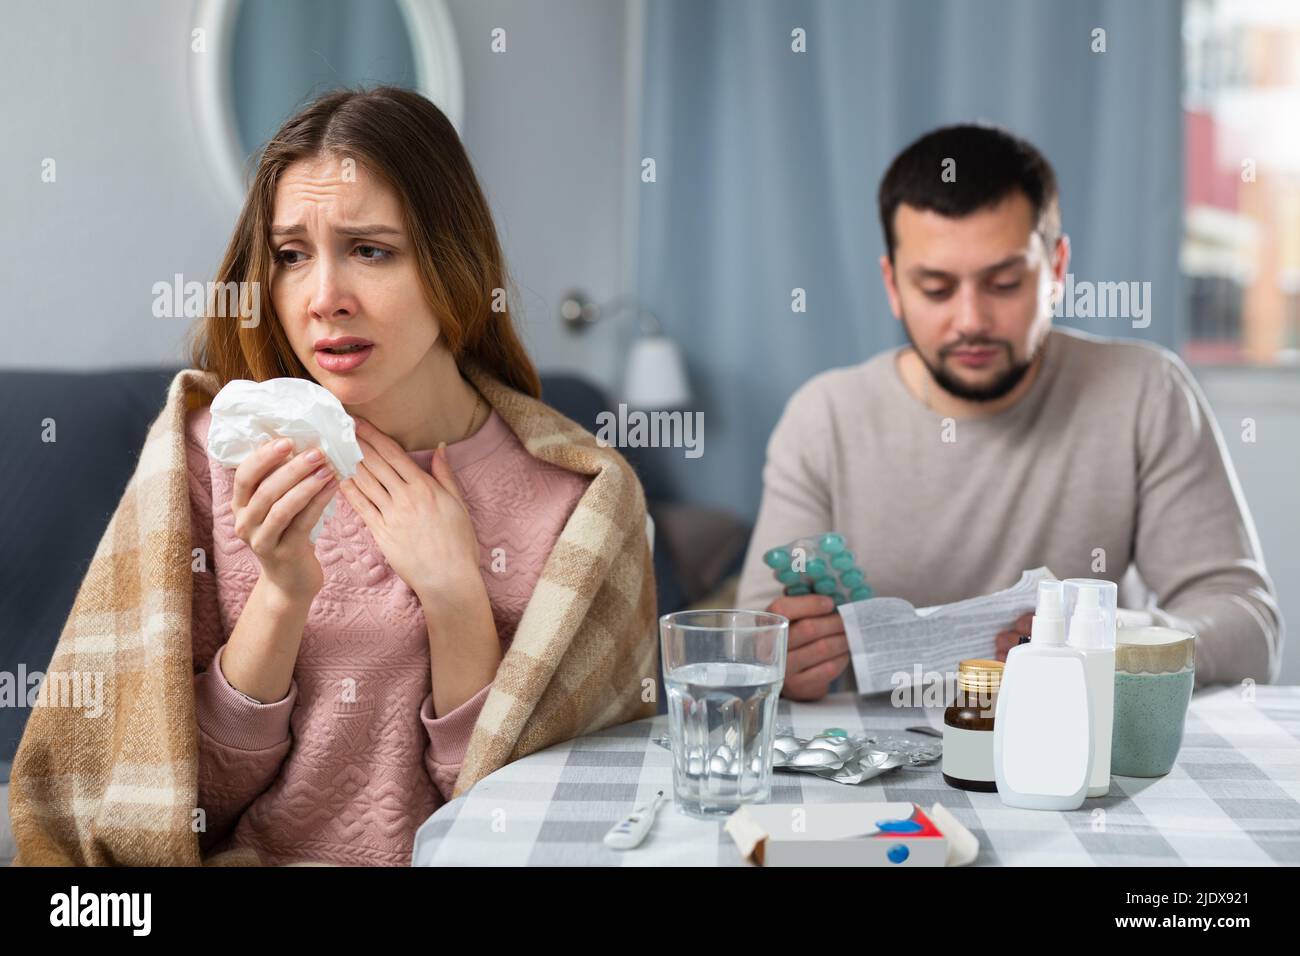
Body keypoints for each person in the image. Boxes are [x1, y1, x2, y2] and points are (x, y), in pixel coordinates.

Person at [736, 123, 1283, 701]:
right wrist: (778, 663)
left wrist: (1114, 640)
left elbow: (1250, 631)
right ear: (893, 284)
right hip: (874, 764)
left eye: (1002, 283)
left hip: (1075, 744)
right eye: (937, 288)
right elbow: (749, 643)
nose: (971, 320)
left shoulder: (1145, 391)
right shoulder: (823, 418)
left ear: (1057, 269)